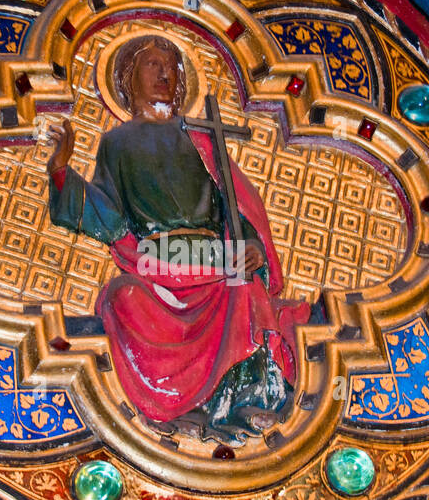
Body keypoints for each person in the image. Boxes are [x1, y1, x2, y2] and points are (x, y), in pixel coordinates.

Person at [44, 35, 310, 444]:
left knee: (242, 287)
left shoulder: (202, 140)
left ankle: (242, 399)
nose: (163, 73)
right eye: (150, 64)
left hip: (216, 257)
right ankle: (173, 405)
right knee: (123, 297)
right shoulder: (118, 142)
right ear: (130, 79)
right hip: (156, 263)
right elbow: (110, 214)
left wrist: (253, 242)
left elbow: (236, 201)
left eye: (170, 66)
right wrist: (62, 172)